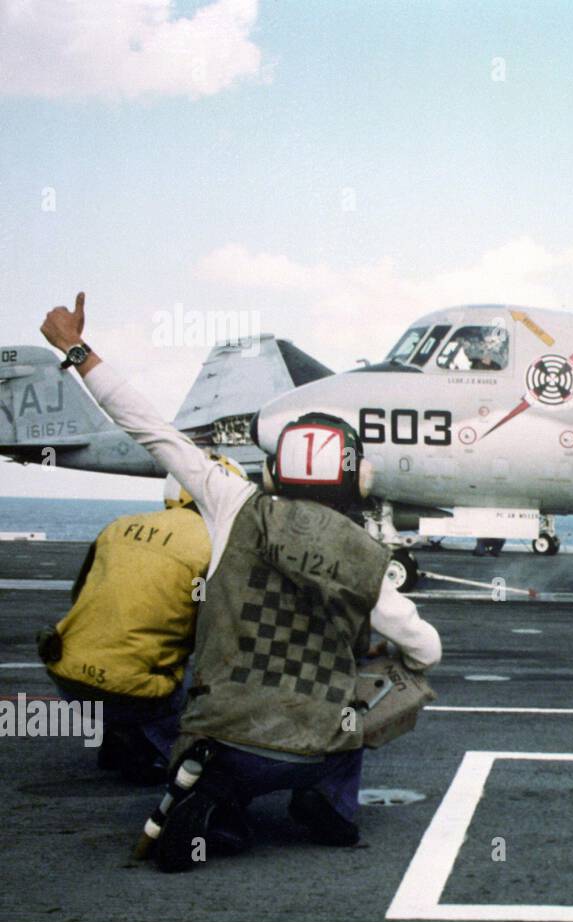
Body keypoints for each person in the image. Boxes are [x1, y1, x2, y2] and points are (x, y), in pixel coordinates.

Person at [39, 292, 442, 871]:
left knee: (208, 734)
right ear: (355, 478)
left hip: (219, 738)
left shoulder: (233, 504)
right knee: (360, 709)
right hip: (312, 748)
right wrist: (372, 648)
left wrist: (78, 351)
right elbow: (427, 650)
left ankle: (216, 805)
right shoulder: (369, 558)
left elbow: (150, 428)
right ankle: (327, 804)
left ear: (277, 471)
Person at [39, 461, 241, 784]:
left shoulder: (117, 528)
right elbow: (221, 638)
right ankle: (161, 748)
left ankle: (120, 731)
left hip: (69, 682)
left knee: (126, 644)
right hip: (139, 696)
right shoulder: (217, 547)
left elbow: (79, 598)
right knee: (225, 677)